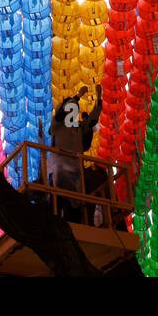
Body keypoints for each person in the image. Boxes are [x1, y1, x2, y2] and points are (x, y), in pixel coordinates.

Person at [47, 85, 101, 220]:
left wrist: (99, 97)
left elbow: (93, 119)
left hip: (76, 171)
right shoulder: (56, 125)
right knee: (58, 201)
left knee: (76, 205)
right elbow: (66, 111)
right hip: (59, 169)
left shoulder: (78, 128)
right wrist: (77, 96)